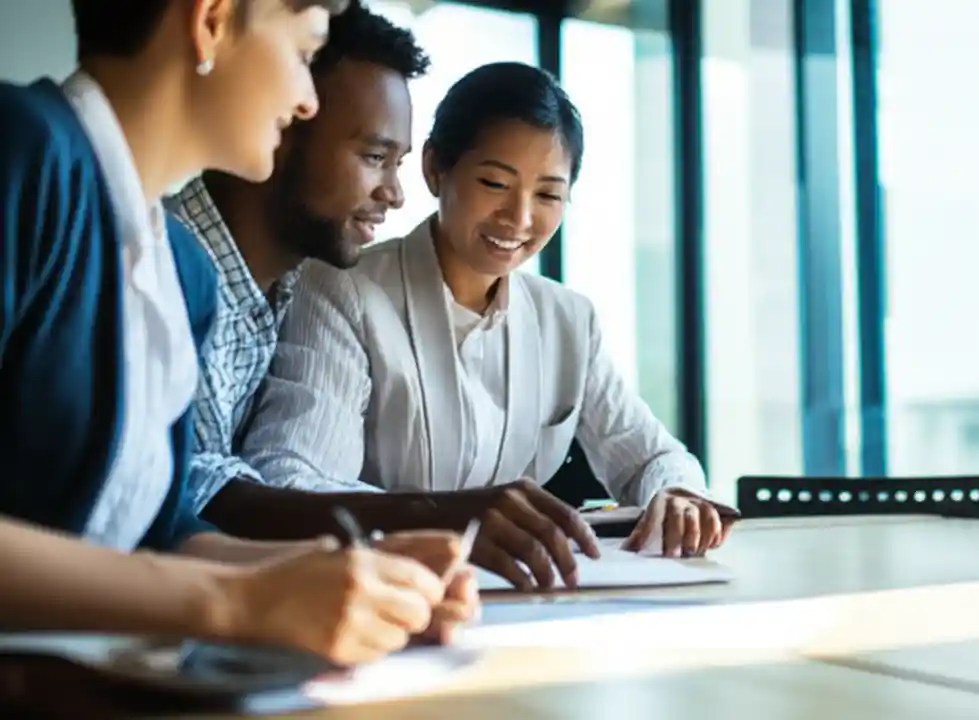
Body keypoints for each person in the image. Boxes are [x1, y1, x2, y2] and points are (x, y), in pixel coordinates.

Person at [0, 0, 475, 665]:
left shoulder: (185, 273)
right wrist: (239, 603)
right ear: (213, 21)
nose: (308, 102)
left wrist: (344, 571)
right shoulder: (21, 151)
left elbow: (148, 536)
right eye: (306, 55)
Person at [241, 62, 735, 592]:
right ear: (435, 169)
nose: (519, 218)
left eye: (547, 195)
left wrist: (679, 493)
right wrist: (441, 518)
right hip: (379, 591)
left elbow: (654, 456)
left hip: (525, 601)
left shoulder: (569, 320)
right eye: (495, 182)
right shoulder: (342, 289)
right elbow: (288, 477)